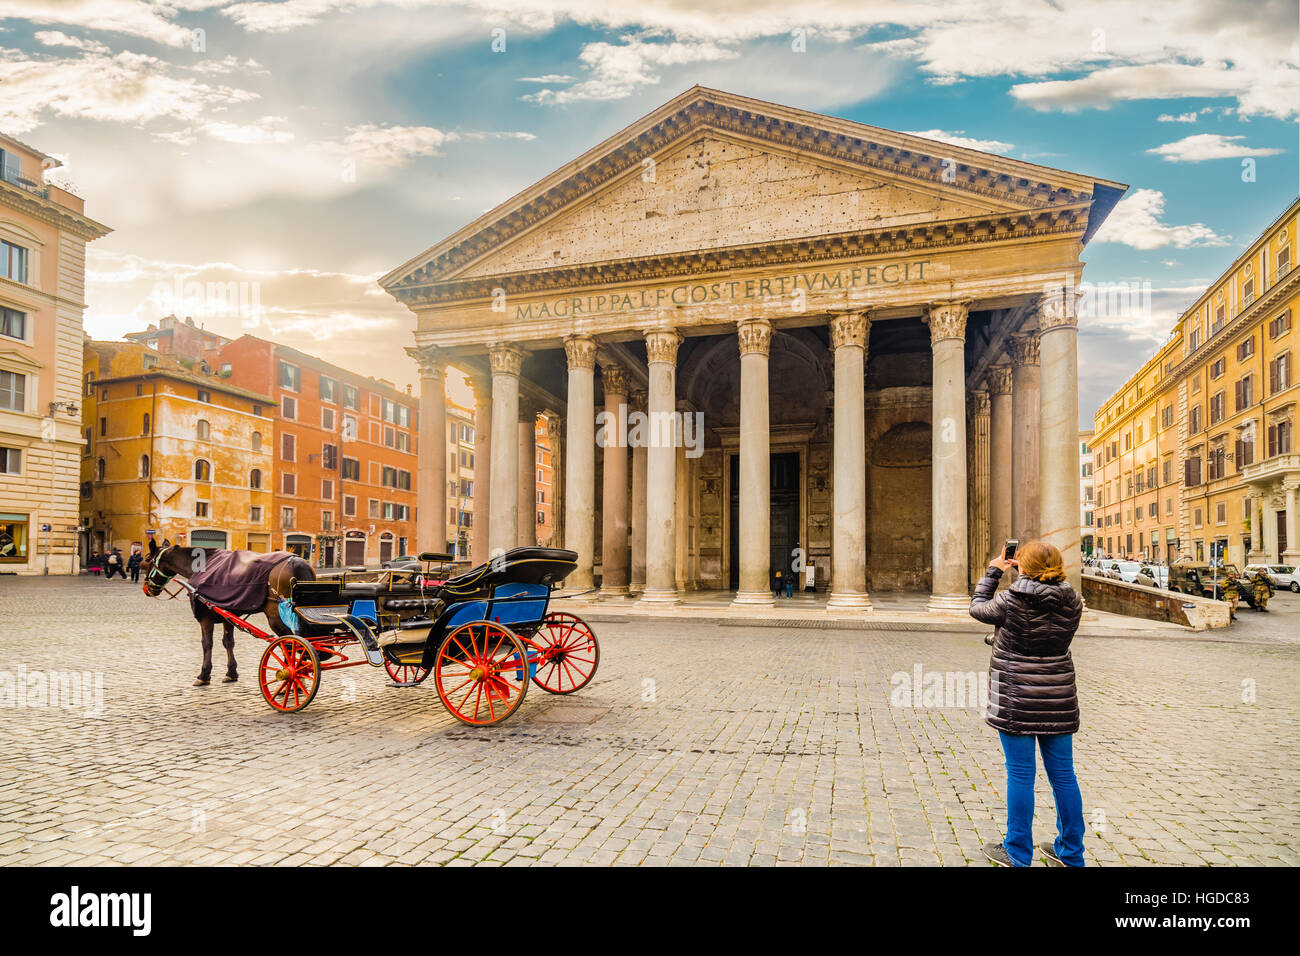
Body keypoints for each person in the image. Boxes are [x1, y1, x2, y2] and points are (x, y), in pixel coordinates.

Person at [970, 540, 1085, 868]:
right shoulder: (1073, 601)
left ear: (1022, 566)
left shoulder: (1011, 599)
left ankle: (1018, 853)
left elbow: (977, 606)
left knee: (1020, 773)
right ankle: (1071, 853)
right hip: (1059, 698)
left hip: (1016, 698)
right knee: (1064, 775)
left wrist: (994, 571)